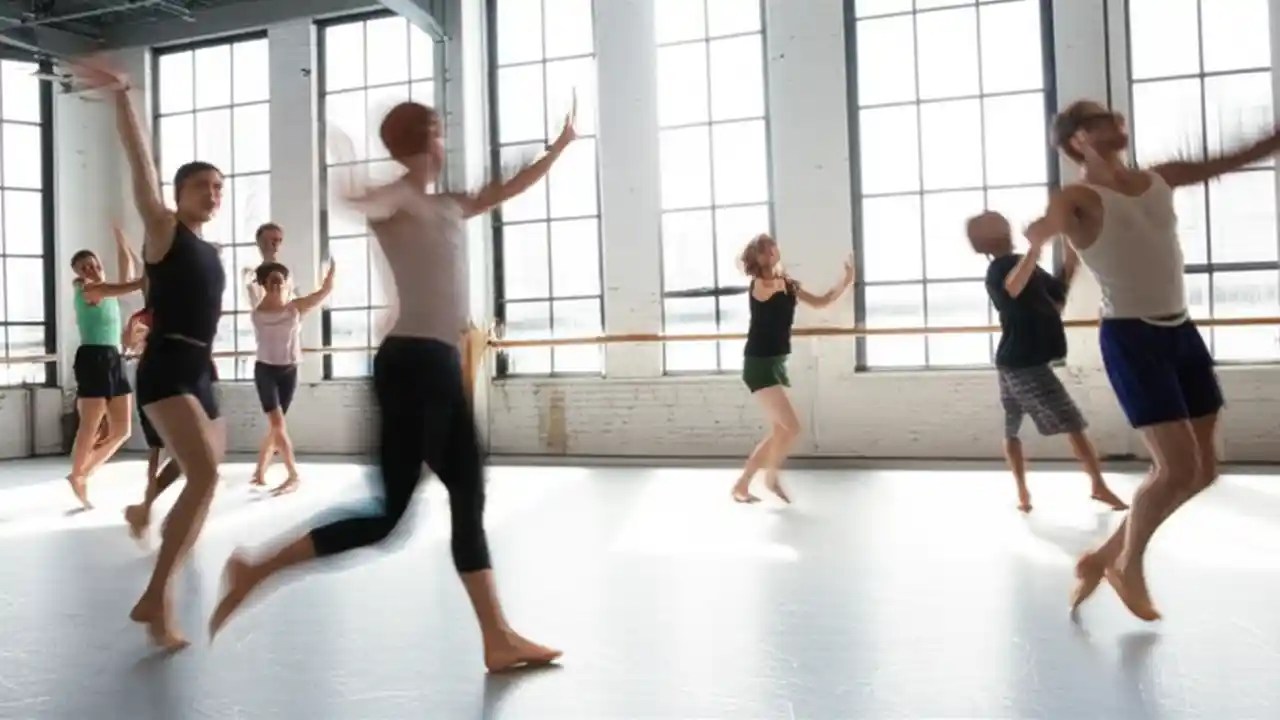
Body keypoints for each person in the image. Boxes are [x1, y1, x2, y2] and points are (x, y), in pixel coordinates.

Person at [207, 100, 567, 673]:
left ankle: (497, 637)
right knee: (390, 517)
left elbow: (503, 190)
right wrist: (347, 170)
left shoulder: (445, 204)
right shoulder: (400, 198)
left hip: (437, 365)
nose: (441, 141)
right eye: (434, 132)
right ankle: (258, 567)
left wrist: (558, 147)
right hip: (414, 366)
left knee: (465, 495)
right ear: (415, 141)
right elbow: (365, 204)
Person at [1030, 99, 1280, 621]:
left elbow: (1226, 162)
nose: (1115, 127)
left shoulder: (1157, 178)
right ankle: (1129, 564)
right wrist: (1042, 232)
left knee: (1203, 469)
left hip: (1180, 331)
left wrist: (1269, 141)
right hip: (1132, 338)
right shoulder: (1078, 196)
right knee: (1176, 468)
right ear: (1076, 139)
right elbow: (1051, 221)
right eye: (1099, 123)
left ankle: (1103, 556)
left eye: (1116, 120)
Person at [74, 56, 228, 650]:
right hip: (165, 365)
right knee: (206, 473)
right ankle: (156, 595)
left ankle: (143, 514)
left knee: (204, 475)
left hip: (202, 368)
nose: (212, 195)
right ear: (180, 192)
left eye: (218, 187)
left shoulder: (209, 249)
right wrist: (124, 97)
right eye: (202, 186)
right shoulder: (165, 230)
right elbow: (141, 164)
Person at [967, 210, 1128, 513]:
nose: (1004, 224)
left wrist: (1070, 248)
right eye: (996, 223)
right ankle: (1098, 485)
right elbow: (1013, 288)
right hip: (1023, 362)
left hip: (1015, 360)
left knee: (1013, 426)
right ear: (985, 240)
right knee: (1072, 422)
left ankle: (1024, 495)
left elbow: (1058, 296)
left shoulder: (1021, 264)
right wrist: (1035, 248)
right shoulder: (1000, 269)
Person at [732, 233, 854, 504]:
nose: (773, 251)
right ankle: (768, 478)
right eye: (766, 249)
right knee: (792, 426)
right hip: (758, 364)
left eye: (772, 247)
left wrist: (845, 282)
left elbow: (822, 302)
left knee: (781, 429)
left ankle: (746, 484)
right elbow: (771, 288)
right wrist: (784, 281)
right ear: (760, 257)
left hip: (775, 363)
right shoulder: (761, 286)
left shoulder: (785, 284)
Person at [66, 225, 144, 508]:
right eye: (83, 267)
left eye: (93, 264)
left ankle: (83, 472)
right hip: (92, 359)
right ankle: (78, 474)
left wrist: (121, 238)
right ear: (79, 273)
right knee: (91, 423)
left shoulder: (108, 291)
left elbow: (126, 267)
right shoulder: (89, 290)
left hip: (113, 358)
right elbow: (127, 283)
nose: (90, 269)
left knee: (121, 429)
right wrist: (145, 281)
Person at [249, 259, 335, 495]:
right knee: (278, 424)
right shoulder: (257, 313)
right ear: (265, 284)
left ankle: (259, 472)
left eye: (281, 280)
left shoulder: (295, 308)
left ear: (286, 283)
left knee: (278, 425)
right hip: (265, 370)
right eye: (273, 280)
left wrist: (330, 278)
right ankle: (293, 475)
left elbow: (322, 294)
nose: (277, 284)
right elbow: (253, 293)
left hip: (289, 371)